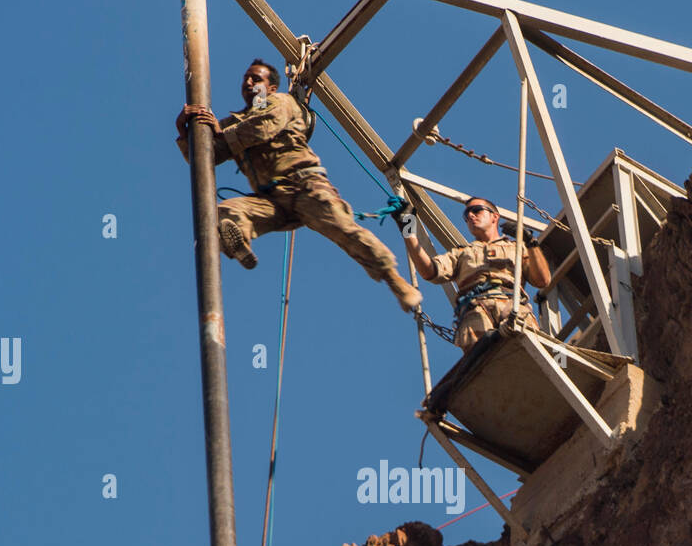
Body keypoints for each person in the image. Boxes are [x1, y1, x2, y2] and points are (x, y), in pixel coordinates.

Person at [175, 59, 422, 311]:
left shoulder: (280, 102)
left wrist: (220, 132)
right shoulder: (234, 122)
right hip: (271, 200)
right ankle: (238, 242)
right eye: (246, 79)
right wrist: (187, 132)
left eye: (256, 79)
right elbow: (206, 156)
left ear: (271, 88)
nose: (249, 83)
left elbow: (263, 126)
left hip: (305, 186)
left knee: (344, 230)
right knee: (220, 212)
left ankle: (394, 280)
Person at [403, 197, 551, 351]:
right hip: (475, 311)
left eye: (476, 210)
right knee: (481, 360)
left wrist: (530, 242)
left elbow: (542, 280)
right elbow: (428, 271)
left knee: (527, 351)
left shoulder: (517, 247)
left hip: (511, 305)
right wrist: (408, 230)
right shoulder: (461, 254)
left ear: (495, 216)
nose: (470, 216)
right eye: (466, 215)